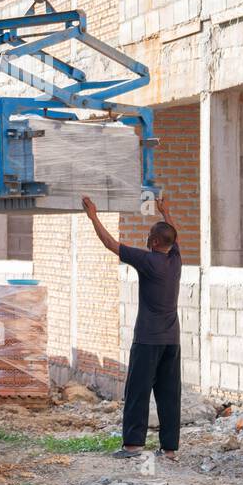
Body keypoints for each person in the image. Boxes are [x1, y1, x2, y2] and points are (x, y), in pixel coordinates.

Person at [81, 193, 182, 462]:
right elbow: (174, 236)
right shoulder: (175, 259)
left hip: (148, 340)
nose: (147, 238)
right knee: (169, 394)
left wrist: (94, 217)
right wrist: (165, 212)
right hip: (172, 341)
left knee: (138, 391)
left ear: (155, 242)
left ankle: (133, 446)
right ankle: (169, 449)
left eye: (150, 235)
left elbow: (110, 244)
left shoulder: (148, 261)